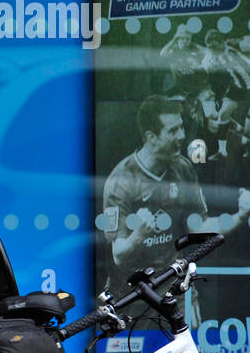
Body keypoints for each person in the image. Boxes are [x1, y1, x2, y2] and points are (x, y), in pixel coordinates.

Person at [100, 95, 250, 298]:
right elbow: (119, 255)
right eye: (173, 131)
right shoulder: (120, 181)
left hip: (174, 292)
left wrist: (240, 216)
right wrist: (140, 234)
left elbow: (198, 227)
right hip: (130, 297)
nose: (182, 136)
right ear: (151, 137)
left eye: (181, 127)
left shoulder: (183, 168)